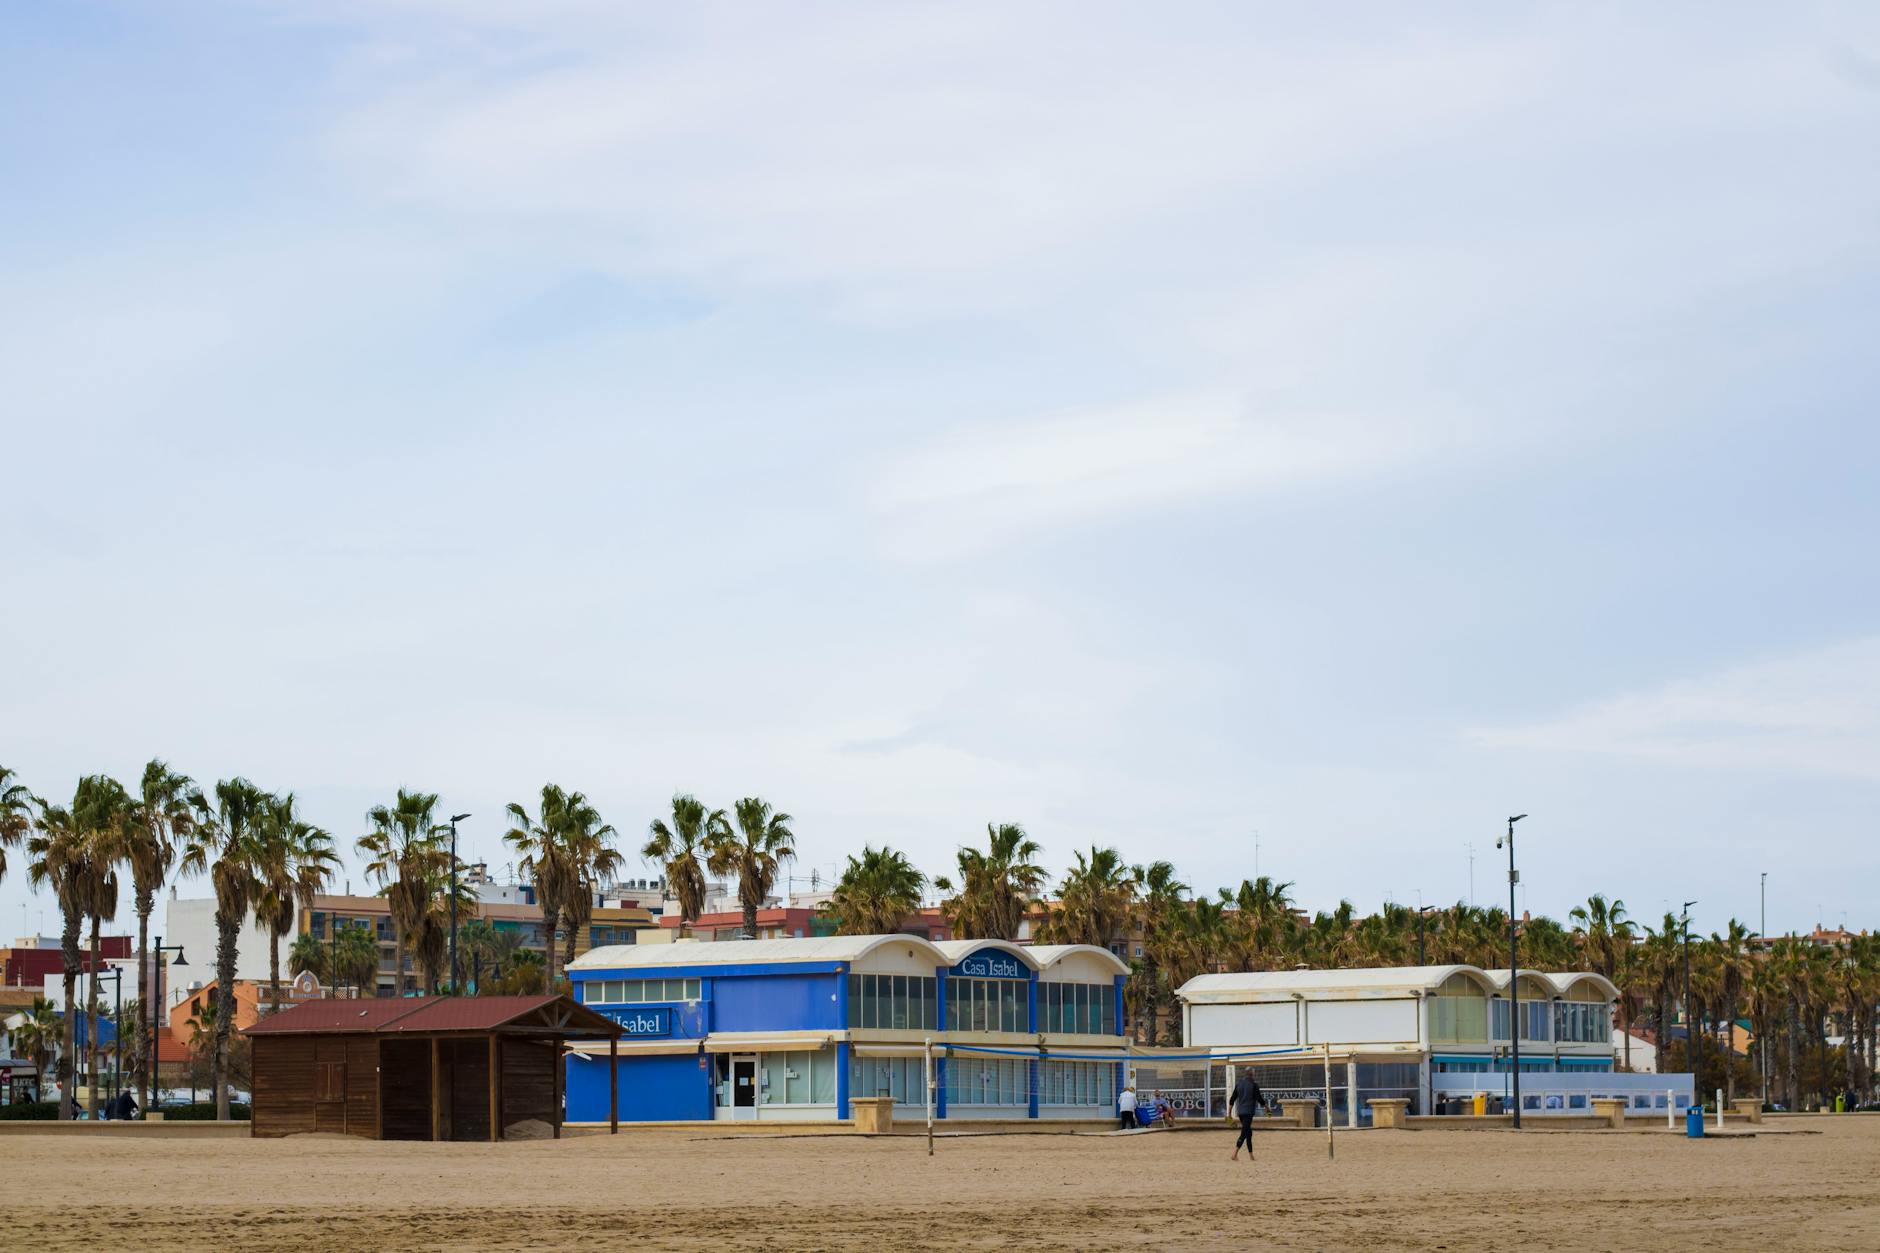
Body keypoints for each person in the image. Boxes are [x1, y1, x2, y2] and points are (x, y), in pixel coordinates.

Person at [1229, 1070, 1263, 1161]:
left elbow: (1232, 1099)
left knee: (1249, 1132)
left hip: (1241, 1112)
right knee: (1244, 1133)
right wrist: (1267, 1108)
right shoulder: (1254, 1085)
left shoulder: (1239, 1084)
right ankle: (1234, 1154)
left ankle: (1251, 1155)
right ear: (1252, 1075)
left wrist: (1229, 1114)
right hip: (1248, 1112)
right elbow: (1259, 1098)